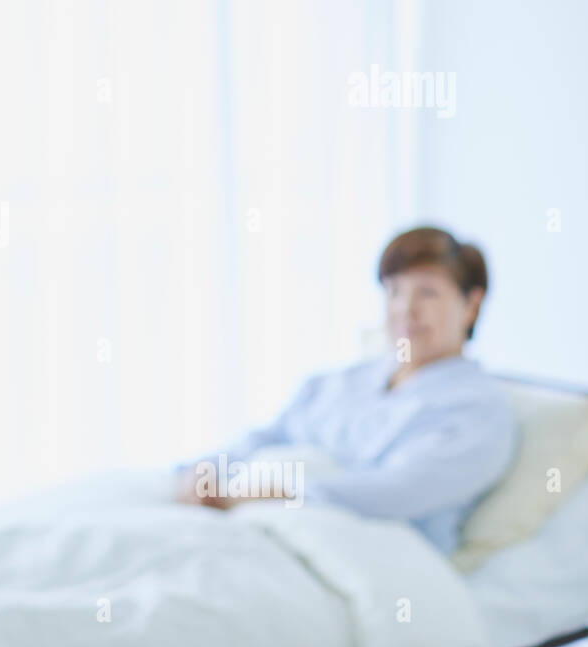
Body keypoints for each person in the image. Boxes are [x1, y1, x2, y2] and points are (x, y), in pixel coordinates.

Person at [172, 227, 518, 555]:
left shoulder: (480, 412)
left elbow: (395, 491)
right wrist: (206, 469)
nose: (405, 309)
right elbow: (270, 435)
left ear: (471, 304)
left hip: (372, 551)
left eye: (427, 292)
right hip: (258, 522)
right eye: (395, 291)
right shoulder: (341, 382)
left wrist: (259, 496)